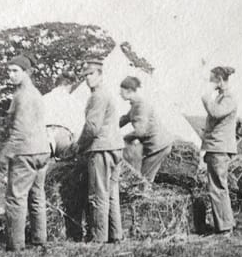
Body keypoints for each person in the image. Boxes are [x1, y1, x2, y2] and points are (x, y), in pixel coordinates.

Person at [74, 59, 125, 243]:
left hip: (101, 148)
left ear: (100, 75)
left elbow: (92, 128)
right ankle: (116, 235)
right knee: (112, 194)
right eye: (85, 75)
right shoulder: (107, 94)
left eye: (91, 74)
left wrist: (78, 145)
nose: (88, 78)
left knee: (98, 194)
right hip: (115, 147)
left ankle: (99, 238)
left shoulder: (97, 96)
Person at [3, 55, 50, 251]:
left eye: (15, 71)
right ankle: (40, 240)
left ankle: (15, 245)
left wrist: (5, 153)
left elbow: (19, 129)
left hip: (26, 151)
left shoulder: (22, 96)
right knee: (37, 196)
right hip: (43, 150)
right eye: (9, 71)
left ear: (27, 72)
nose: (11, 75)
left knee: (16, 197)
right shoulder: (36, 93)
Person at [200, 66, 238, 236]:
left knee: (217, 187)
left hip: (219, 148)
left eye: (212, 80)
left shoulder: (229, 98)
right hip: (216, 147)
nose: (210, 83)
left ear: (220, 80)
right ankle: (226, 223)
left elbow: (215, 113)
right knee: (218, 186)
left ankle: (224, 228)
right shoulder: (223, 97)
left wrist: (206, 95)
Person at [118, 76, 174, 183]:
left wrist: (124, 137)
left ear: (129, 91)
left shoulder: (140, 106)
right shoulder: (136, 104)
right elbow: (124, 119)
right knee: (144, 177)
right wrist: (108, 127)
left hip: (158, 146)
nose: (120, 94)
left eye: (121, 91)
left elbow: (140, 132)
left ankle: (146, 196)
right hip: (157, 145)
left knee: (143, 180)